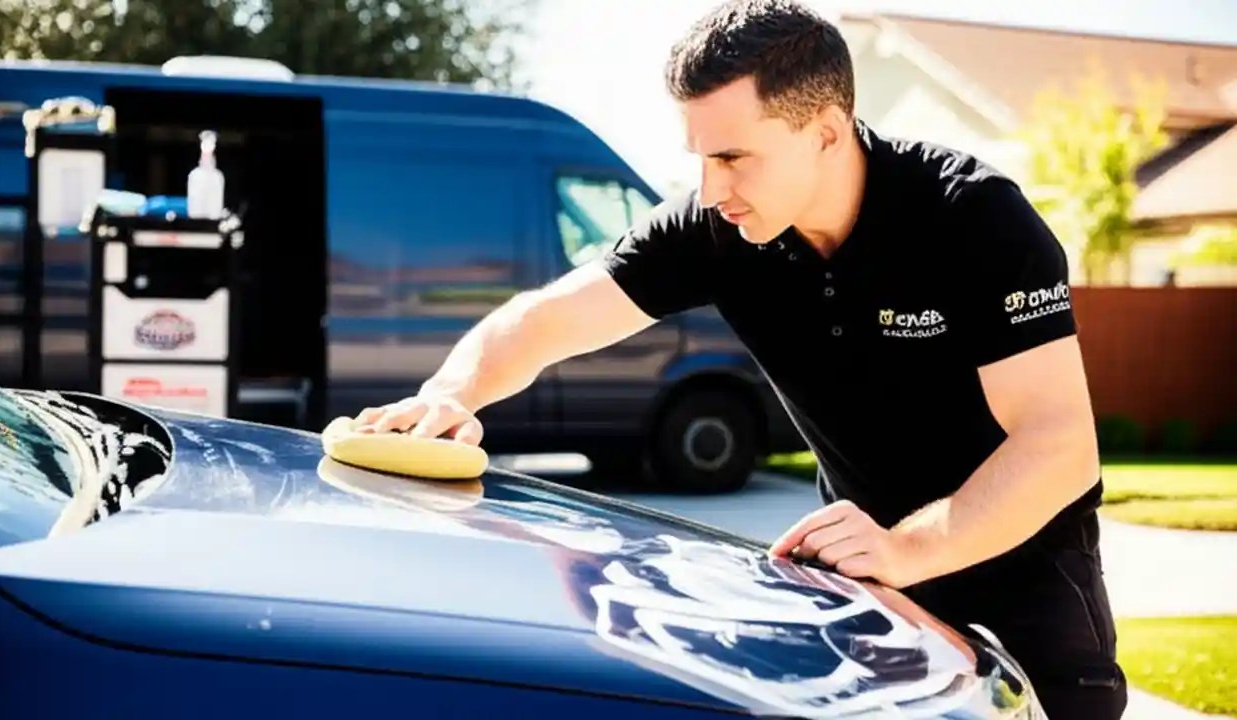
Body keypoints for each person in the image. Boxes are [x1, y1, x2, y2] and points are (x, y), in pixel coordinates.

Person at [353, 0, 1125, 716]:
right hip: (862, 580)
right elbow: (545, 320)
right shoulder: (718, 228)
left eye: (732, 156)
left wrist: (906, 547)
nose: (709, 186)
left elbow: (1058, 446)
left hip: (1025, 579)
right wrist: (452, 395)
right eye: (699, 157)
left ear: (826, 131)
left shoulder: (973, 217)